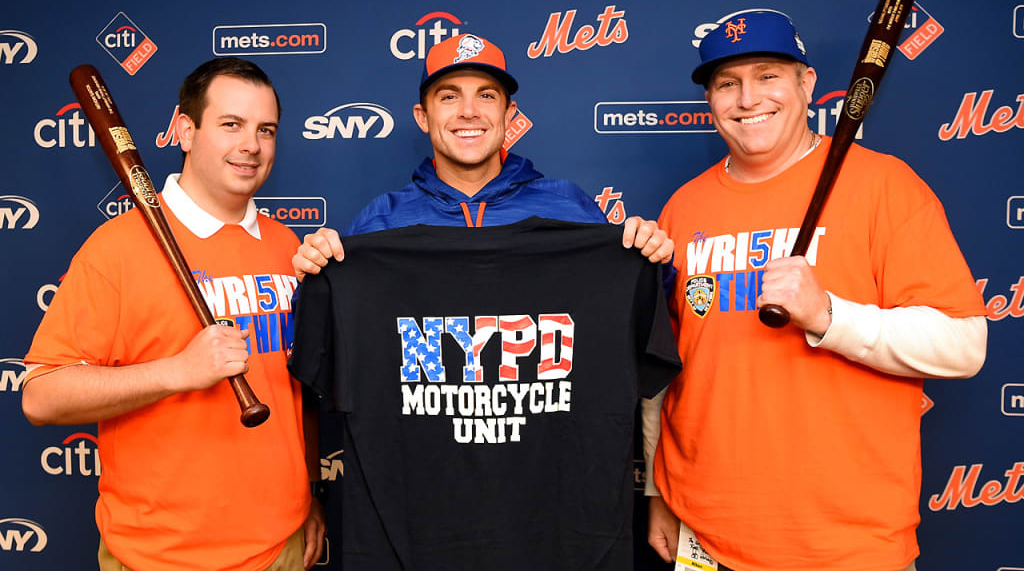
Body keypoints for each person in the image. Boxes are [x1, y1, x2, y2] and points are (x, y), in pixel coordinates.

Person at [645, 10, 988, 571]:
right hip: (702, 528)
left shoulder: (884, 185)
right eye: (727, 83)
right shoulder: (683, 207)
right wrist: (659, 492)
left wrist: (829, 315)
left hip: (844, 544)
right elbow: (663, 364)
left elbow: (964, 346)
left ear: (806, 84)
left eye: (768, 76)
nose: (748, 98)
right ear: (710, 98)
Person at [21, 58, 325, 571]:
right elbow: (41, 395)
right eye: (231, 124)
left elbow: (297, 388)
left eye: (265, 130)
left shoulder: (286, 246)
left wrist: (309, 492)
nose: (251, 145)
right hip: (161, 555)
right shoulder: (117, 248)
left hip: (281, 544)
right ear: (186, 130)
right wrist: (177, 372)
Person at [290, 32, 673, 278]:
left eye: (486, 95)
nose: (469, 111)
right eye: (449, 96)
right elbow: (333, 331)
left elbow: (635, 305)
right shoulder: (381, 221)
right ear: (422, 117)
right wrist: (315, 273)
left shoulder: (568, 206)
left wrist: (653, 259)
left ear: (509, 115)